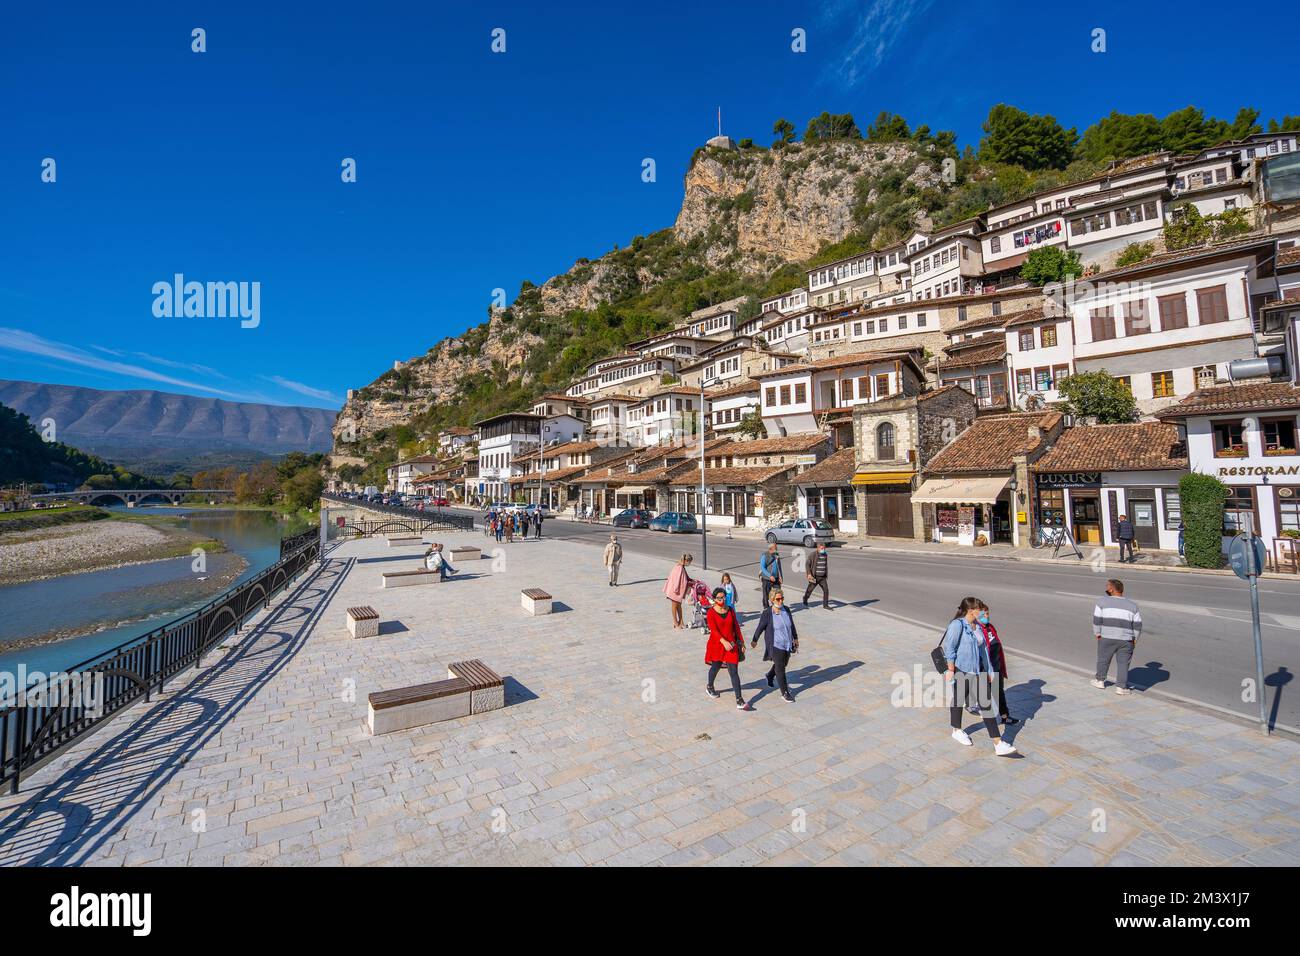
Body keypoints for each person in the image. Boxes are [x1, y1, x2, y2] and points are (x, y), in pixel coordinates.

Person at [943, 597, 1017, 756]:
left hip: (977, 671)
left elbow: (983, 651)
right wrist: (950, 669)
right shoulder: (957, 625)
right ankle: (956, 730)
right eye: (980, 610)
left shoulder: (976, 626)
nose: (983, 612)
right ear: (971, 611)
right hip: (961, 669)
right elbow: (950, 648)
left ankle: (998, 744)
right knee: (959, 699)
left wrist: (989, 670)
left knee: (986, 705)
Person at [1092, 578, 1142, 695]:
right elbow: (1137, 625)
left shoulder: (1101, 602)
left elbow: (1097, 620)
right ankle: (1121, 687)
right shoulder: (1133, 605)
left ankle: (1100, 681)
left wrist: (1098, 634)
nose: (1106, 588)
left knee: (1103, 660)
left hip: (1106, 637)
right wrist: (1134, 639)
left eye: (1107, 586)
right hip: (1126, 639)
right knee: (1123, 663)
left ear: (1111, 589)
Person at [704, 587, 748, 710]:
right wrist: (723, 641)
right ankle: (710, 686)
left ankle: (739, 700)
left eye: (723, 597)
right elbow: (714, 630)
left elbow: (736, 627)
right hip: (717, 645)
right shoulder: (711, 613)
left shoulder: (730, 610)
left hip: (731, 646)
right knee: (716, 666)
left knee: (733, 671)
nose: (722, 600)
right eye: (719, 598)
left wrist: (742, 642)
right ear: (714, 599)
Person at [751, 588, 798, 702]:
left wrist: (795, 638)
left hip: (787, 643)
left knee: (782, 664)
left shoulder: (786, 610)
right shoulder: (767, 613)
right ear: (772, 599)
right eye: (778, 599)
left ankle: (770, 675)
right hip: (775, 644)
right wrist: (754, 640)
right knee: (781, 668)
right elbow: (761, 627)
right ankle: (785, 692)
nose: (781, 601)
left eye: (782, 598)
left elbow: (791, 625)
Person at [975, 601, 1017, 724]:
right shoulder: (976, 630)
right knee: (984, 695)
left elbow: (997, 646)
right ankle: (986, 718)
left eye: (987, 613)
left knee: (999, 693)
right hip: (984, 669)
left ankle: (1005, 716)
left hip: (996, 666)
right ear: (976, 615)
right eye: (983, 614)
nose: (986, 616)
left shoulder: (990, 627)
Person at [663, 554, 693, 629]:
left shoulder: (682, 567)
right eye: (689, 562)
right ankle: (675, 622)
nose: (690, 564)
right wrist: (676, 590)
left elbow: (686, 577)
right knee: (674, 605)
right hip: (675, 590)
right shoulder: (679, 567)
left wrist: (692, 580)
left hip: (677, 590)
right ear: (686, 561)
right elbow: (676, 580)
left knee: (679, 605)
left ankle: (681, 621)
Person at [802, 541, 830, 610]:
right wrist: (809, 574)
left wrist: (825, 574)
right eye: (821, 548)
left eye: (824, 548)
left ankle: (825, 605)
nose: (823, 549)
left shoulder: (825, 554)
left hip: (822, 577)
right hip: (814, 576)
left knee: (826, 590)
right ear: (818, 548)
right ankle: (805, 598)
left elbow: (825, 565)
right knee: (810, 590)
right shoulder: (813, 554)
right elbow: (807, 564)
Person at [759, 543, 782, 609]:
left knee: (777, 592)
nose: (777, 549)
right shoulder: (765, 556)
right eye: (775, 548)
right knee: (766, 594)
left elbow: (779, 567)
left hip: (776, 578)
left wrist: (781, 576)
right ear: (771, 549)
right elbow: (763, 568)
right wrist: (770, 576)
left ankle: (777, 606)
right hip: (767, 578)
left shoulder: (777, 555)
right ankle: (766, 607)